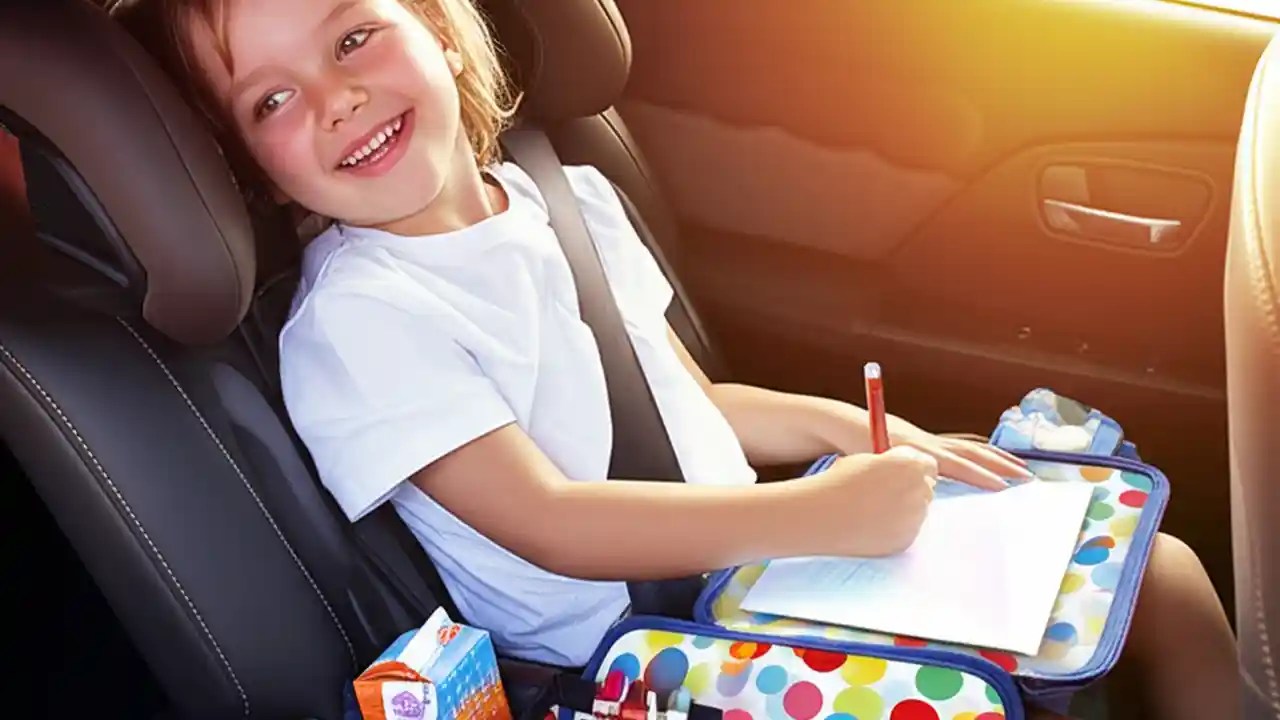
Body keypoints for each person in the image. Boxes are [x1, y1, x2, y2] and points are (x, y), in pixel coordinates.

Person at [114, 1, 1239, 717]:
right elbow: (549, 520)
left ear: (442, 30)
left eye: (353, 37)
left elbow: (691, 403)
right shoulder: (361, 322)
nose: (337, 97)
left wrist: (850, 435)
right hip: (648, 659)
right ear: (256, 168)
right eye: (273, 99)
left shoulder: (561, 197)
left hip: (758, 571)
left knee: (1167, 576)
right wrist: (815, 518)